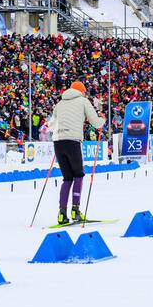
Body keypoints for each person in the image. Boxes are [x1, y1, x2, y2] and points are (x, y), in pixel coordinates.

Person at [46, 81, 105, 225]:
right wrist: (102, 119)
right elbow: (96, 123)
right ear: (82, 91)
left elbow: (51, 126)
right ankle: (75, 210)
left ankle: (62, 214)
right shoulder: (83, 101)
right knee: (78, 175)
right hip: (73, 141)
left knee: (67, 178)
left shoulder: (59, 104)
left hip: (58, 142)